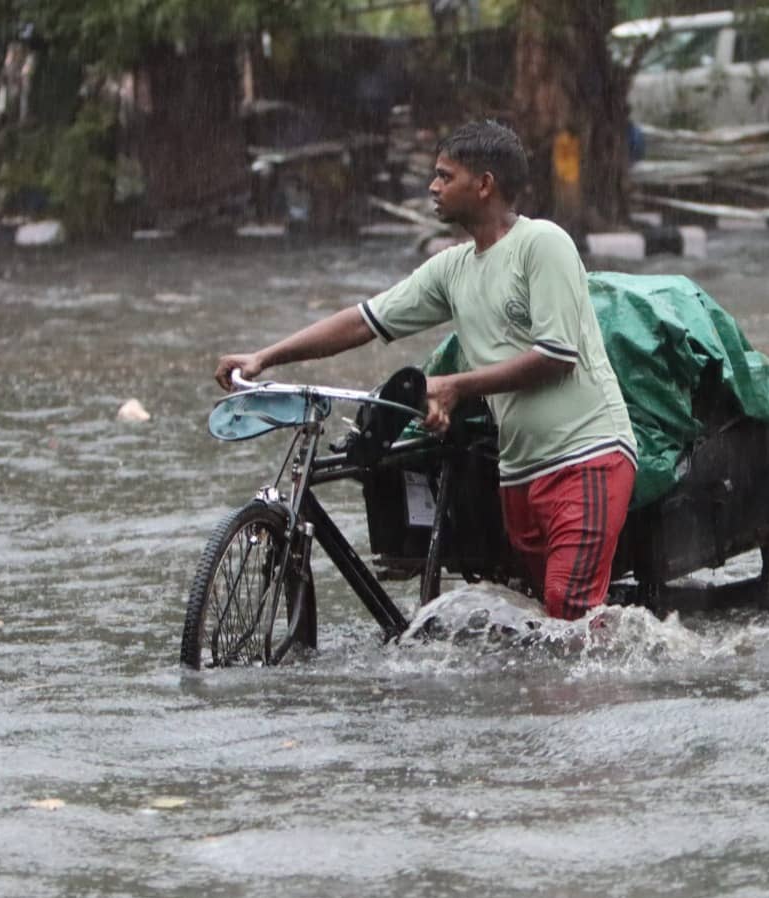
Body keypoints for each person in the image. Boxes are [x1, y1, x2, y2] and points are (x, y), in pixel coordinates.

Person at [214, 120, 637, 620]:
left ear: (484, 184)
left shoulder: (541, 243)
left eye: (444, 176)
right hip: (520, 470)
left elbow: (557, 356)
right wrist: (265, 356)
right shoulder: (452, 268)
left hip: (585, 454)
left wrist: (455, 385)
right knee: (545, 622)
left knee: (569, 612)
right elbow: (362, 322)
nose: (432, 188)